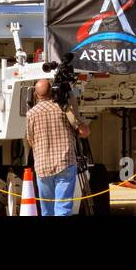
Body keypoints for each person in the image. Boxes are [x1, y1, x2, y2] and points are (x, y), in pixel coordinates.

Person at [25, 79, 90, 217]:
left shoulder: (31, 114)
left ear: (36, 95)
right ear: (52, 91)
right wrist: (75, 111)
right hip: (64, 162)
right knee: (63, 209)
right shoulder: (64, 109)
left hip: (42, 166)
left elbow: (30, 140)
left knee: (46, 211)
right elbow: (84, 132)